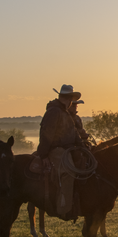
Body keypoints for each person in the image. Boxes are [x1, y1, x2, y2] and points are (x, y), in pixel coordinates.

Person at [37, 85, 85, 215]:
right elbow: (46, 134)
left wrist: (83, 146)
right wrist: (44, 155)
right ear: (68, 99)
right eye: (71, 99)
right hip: (56, 150)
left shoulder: (65, 112)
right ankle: (64, 209)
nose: (72, 102)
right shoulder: (54, 112)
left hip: (67, 149)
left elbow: (74, 133)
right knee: (68, 171)